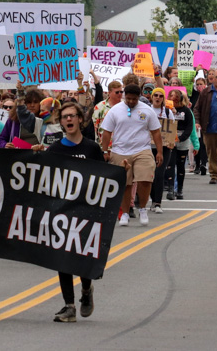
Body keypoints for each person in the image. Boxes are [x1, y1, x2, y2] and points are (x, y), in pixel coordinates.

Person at [44, 101, 102, 323]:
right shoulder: (55, 150)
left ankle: (86, 290)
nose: (68, 119)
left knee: (83, 259)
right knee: (63, 259)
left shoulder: (91, 148)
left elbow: (104, 178)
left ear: (80, 119)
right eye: (64, 117)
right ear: (60, 122)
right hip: (62, 212)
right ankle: (69, 306)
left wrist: (121, 171)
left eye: (72, 116)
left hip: (87, 213)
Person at [100, 84, 162, 227]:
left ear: (139, 97)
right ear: (124, 96)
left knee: (145, 179)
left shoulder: (147, 110)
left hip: (142, 150)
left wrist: (159, 151)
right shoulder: (115, 110)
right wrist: (104, 151)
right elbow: (107, 132)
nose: (131, 101)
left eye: (134, 99)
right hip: (120, 151)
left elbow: (156, 132)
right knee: (125, 184)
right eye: (128, 99)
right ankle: (125, 213)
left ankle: (143, 209)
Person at [165, 89, 194, 200]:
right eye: (171, 96)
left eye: (176, 96)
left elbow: (189, 127)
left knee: (180, 165)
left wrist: (181, 138)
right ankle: (171, 188)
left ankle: (180, 189)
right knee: (170, 164)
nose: (173, 98)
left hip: (182, 139)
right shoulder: (167, 111)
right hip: (170, 138)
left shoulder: (186, 111)